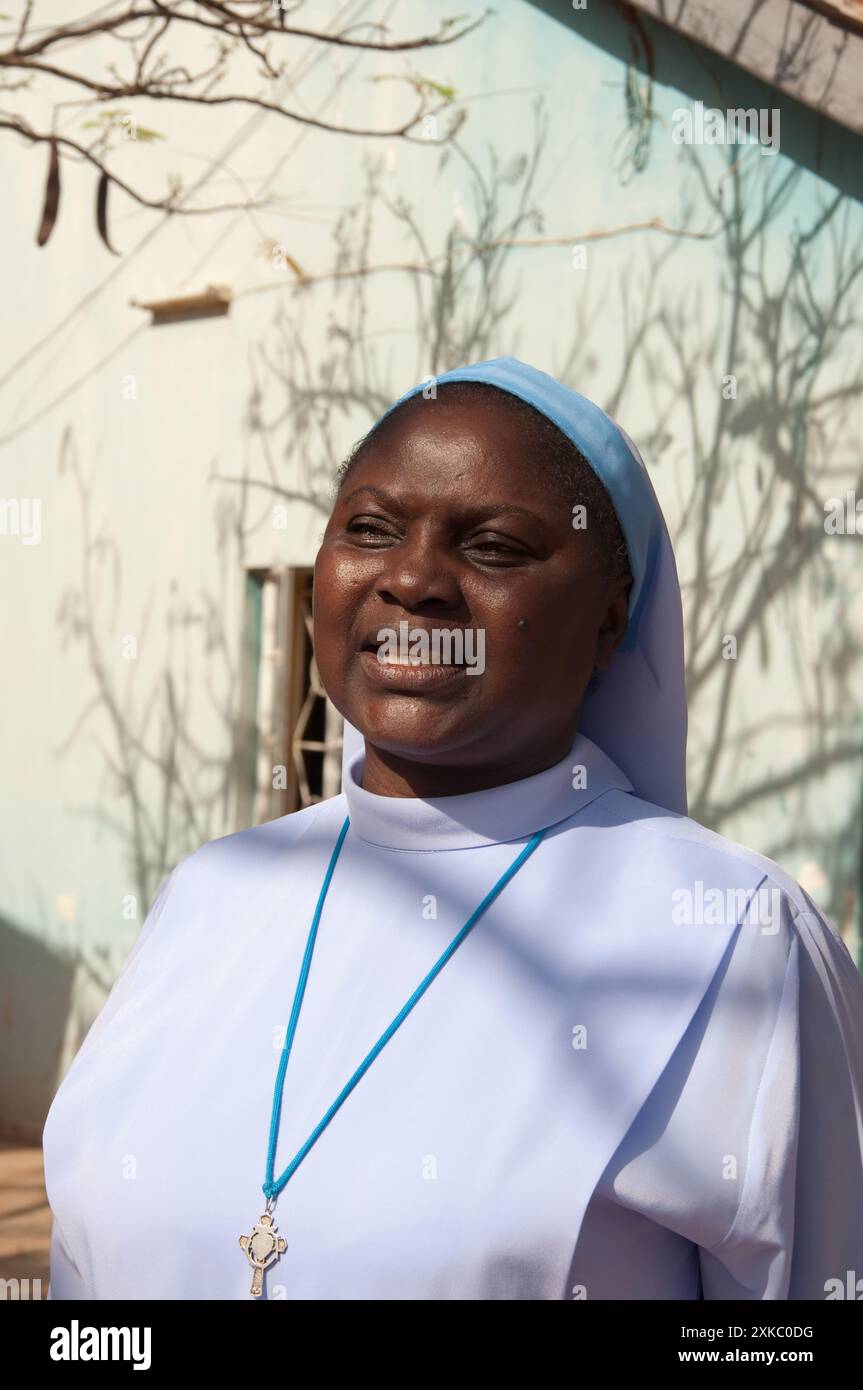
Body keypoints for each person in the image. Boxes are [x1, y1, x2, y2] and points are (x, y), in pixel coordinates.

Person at [43, 356, 863, 1300]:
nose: (414, 579)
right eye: (372, 529)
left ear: (607, 623)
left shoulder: (730, 935)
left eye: (494, 547)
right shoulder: (214, 890)